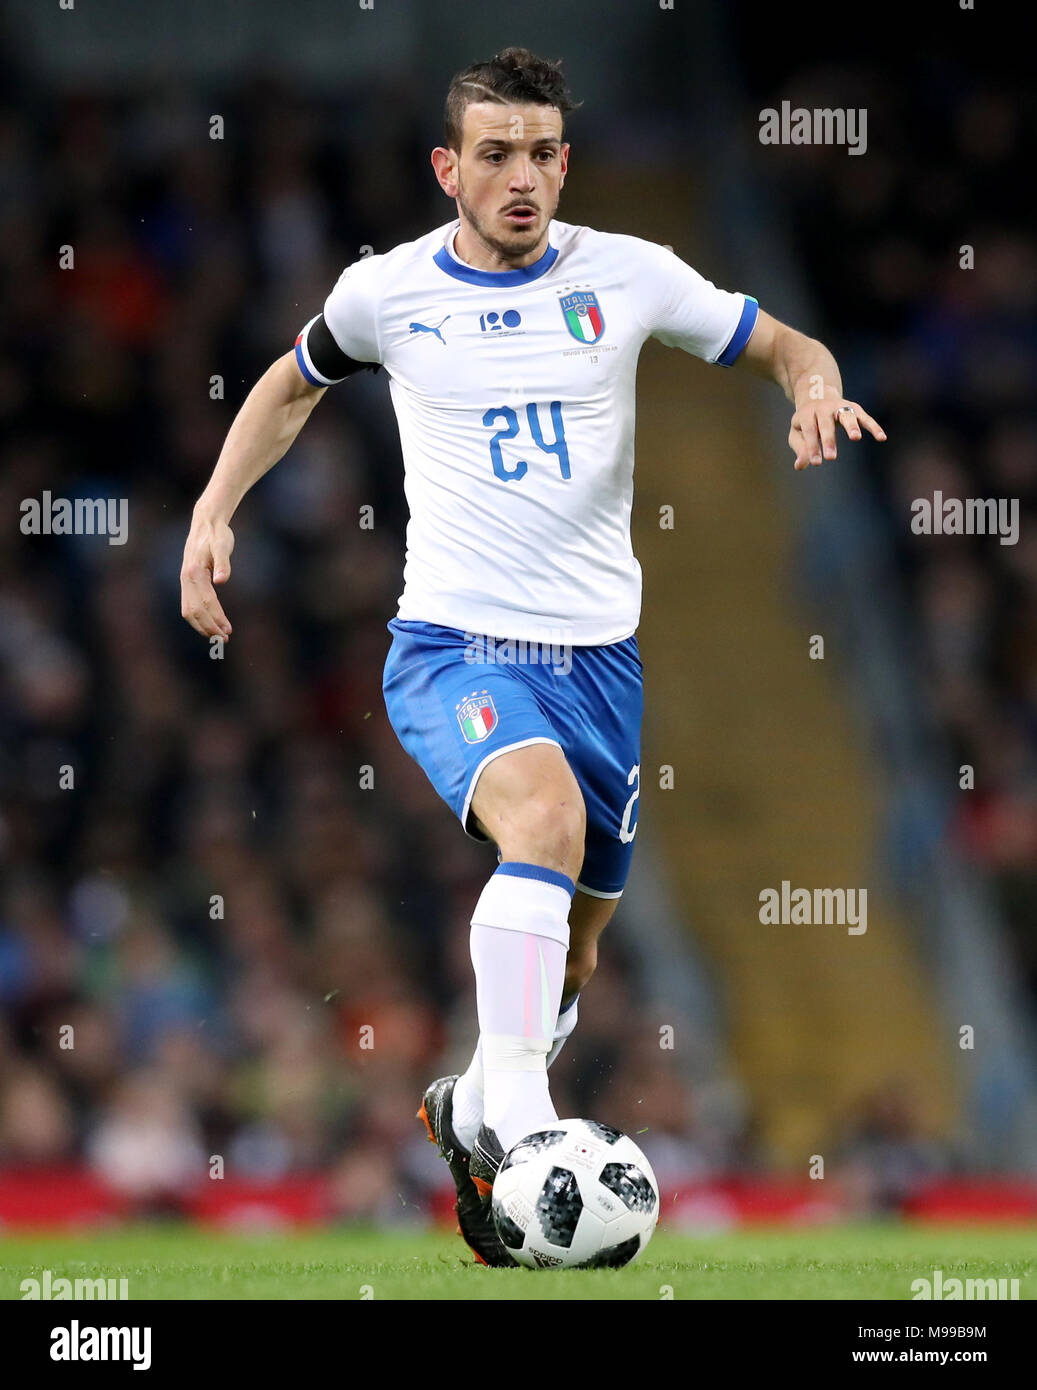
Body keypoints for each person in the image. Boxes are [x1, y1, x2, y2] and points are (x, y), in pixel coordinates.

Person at [180, 46, 886, 1266]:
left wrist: (808, 388)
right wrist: (211, 512)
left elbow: (784, 343)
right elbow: (289, 387)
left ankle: (472, 1096)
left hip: (602, 661)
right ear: (448, 166)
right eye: (495, 153)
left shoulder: (629, 274)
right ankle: (516, 1121)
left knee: (580, 942)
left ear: (565, 161)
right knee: (542, 824)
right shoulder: (386, 293)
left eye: (543, 152)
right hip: (457, 644)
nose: (522, 176)